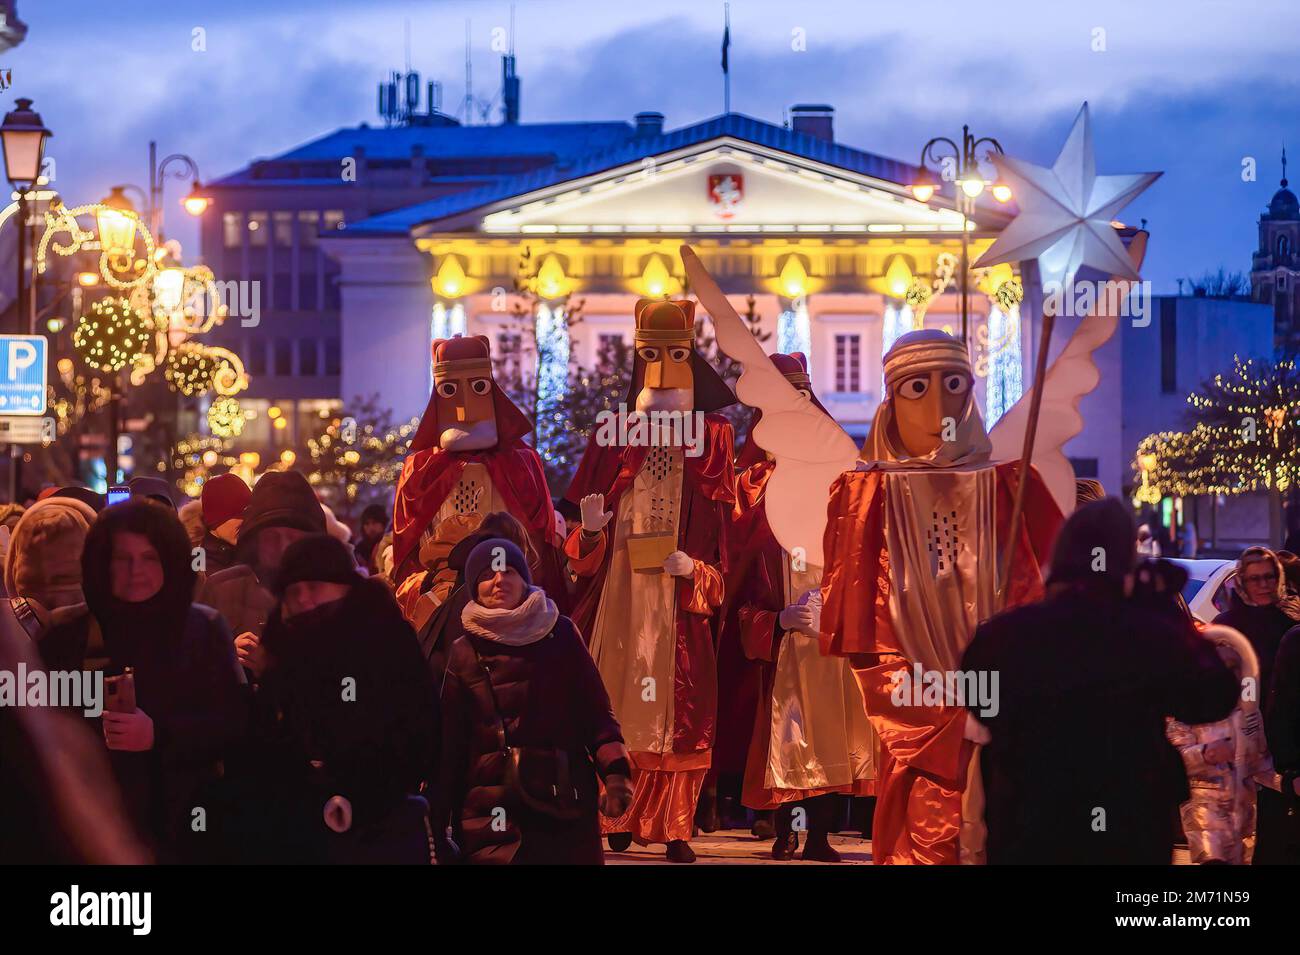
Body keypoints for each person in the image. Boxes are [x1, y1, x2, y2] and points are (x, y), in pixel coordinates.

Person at [818, 329, 1063, 865]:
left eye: (954, 384)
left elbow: (1060, 604)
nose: (938, 406)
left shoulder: (1012, 486)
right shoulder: (864, 496)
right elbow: (866, 639)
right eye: (915, 387)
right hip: (921, 732)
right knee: (928, 835)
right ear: (890, 401)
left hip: (1005, 728)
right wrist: (945, 718)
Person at [961, 498, 1238, 864]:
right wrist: (1165, 615)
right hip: (1125, 817)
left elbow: (981, 706)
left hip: (1028, 816)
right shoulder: (1143, 634)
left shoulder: (1003, 634)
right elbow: (1211, 696)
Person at [562, 298, 737, 863]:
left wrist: (699, 572)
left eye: (676, 354)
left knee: (675, 708)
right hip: (619, 595)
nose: (662, 370)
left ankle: (674, 826)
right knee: (614, 696)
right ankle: (616, 813)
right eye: (651, 355)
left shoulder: (712, 441)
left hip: (674, 595)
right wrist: (589, 533)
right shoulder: (614, 436)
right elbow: (576, 557)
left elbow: (726, 539)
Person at [38, 499, 248, 861]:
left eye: (149, 557)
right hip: (91, 831)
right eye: (122, 558)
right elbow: (40, 729)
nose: (136, 570)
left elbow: (234, 726)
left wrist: (159, 736)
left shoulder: (203, 630)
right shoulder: (65, 635)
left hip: (185, 830)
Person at [725, 352, 874, 862]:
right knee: (790, 733)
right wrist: (776, 621)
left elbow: (864, 555)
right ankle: (786, 827)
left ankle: (821, 835)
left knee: (833, 732)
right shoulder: (753, 489)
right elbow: (740, 582)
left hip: (830, 635)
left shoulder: (842, 483)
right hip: (787, 639)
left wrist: (837, 607)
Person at [228, 534, 436, 863]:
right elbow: (265, 741)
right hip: (298, 835)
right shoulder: (282, 647)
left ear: (343, 585)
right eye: (295, 593)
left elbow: (418, 731)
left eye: (315, 586)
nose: (306, 600)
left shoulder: (387, 640)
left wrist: (356, 794)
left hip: (380, 830)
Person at [439, 538, 631, 864]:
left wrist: (615, 776)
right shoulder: (463, 651)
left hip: (562, 802)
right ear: (474, 587)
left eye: (509, 571)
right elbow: (450, 747)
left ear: (524, 579)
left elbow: (595, 713)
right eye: (488, 574)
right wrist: (437, 820)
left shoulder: (561, 634)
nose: (500, 580)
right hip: (490, 813)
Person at [390, 335, 568, 610]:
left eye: (478, 387)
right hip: (446, 589)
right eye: (449, 389)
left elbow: (538, 540)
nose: (464, 406)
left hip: (508, 591)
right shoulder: (421, 468)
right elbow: (410, 542)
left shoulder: (521, 462)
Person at [197, 470, 325, 682]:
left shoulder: (336, 593)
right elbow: (192, 675)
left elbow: (353, 684)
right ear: (255, 540)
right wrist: (226, 655)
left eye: (293, 537)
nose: (283, 547)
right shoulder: (220, 588)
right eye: (272, 537)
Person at [1166, 624, 1269, 864]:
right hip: (1204, 815)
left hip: (1243, 817)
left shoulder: (1248, 714)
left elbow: (1261, 762)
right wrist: (1206, 754)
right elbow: (1171, 761)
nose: (1229, 675)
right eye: (1222, 668)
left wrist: (1285, 782)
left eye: (1234, 668)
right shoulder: (1186, 711)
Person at [1212, 546, 1297, 703]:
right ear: (1242, 582)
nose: (1263, 584)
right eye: (1254, 579)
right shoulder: (1225, 628)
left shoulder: (1290, 625)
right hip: (1241, 718)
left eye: (1269, 576)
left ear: (1278, 578)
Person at [197, 472, 251, 577]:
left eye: (247, 513)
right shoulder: (198, 561)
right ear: (214, 520)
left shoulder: (254, 552)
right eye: (236, 515)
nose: (243, 521)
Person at [354, 503, 388, 573]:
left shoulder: (389, 545)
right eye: (367, 524)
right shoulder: (359, 549)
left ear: (383, 524)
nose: (371, 528)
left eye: (374, 523)